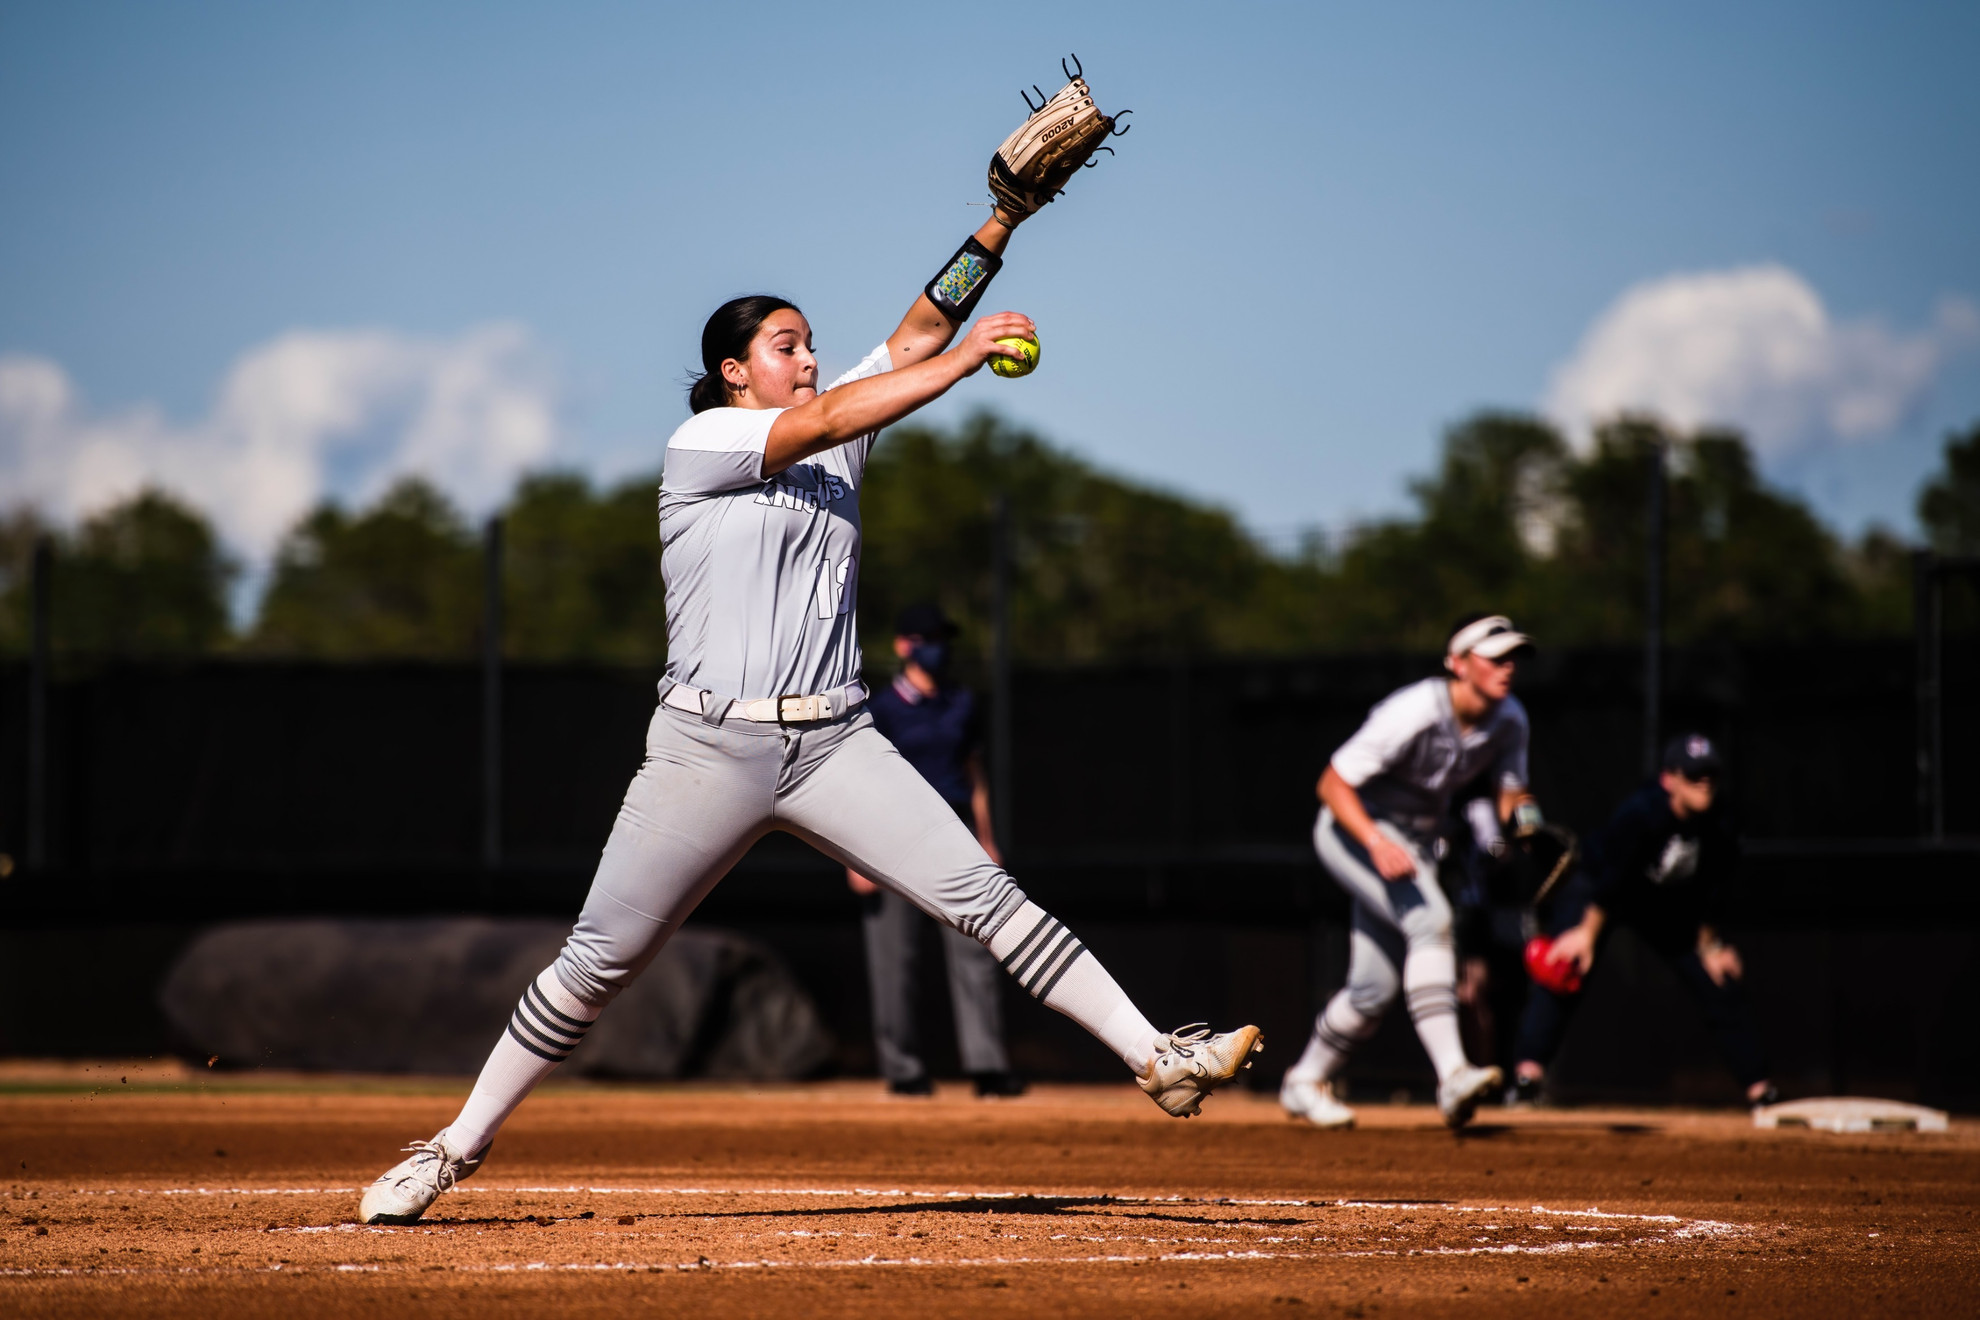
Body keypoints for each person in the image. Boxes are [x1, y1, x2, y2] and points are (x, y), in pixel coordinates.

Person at [357, 198, 1260, 1226]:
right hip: (707, 747)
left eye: (814, 345)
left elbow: (918, 329)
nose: (811, 359)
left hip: (837, 742)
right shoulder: (703, 443)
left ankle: (1158, 1056)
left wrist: (1001, 224)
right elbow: (847, 407)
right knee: (597, 965)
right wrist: (964, 365)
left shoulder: (835, 443)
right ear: (737, 371)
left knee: (985, 896)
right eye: (786, 346)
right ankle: (449, 1150)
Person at [1280, 614, 1538, 1130]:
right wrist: (1376, 841)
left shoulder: (1510, 718)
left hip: (1413, 843)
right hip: (1352, 830)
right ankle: (1453, 1075)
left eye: (1513, 658)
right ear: (1457, 664)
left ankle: (1304, 1081)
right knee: (1432, 923)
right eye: (1494, 658)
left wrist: (1528, 825)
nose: (1507, 669)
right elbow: (1331, 785)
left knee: (1372, 990)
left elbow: (1511, 794)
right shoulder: (1415, 711)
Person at [1511, 734, 1776, 1107]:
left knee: (1715, 977)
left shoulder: (1723, 821)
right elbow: (1613, 879)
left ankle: (1760, 1089)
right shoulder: (1642, 812)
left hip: (1662, 905)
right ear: (1669, 779)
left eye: (1711, 775)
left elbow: (1714, 889)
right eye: (1694, 775)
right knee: (1565, 965)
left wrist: (1710, 945)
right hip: (1602, 892)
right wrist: (1586, 933)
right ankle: (1527, 1077)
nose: (1705, 783)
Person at [847, 603, 1024, 1098]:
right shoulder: (878, 708)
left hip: (956, 834)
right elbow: (856, 784)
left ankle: (987, 1066)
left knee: (976, 951)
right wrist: (853, 856)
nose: (938, 648)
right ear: (904, 645)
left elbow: (975, 775)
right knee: (893, 959)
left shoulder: (961, 701)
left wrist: (988, 840)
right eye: (927, 639)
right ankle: (903, 1069)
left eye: (942, 639)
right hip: (892, 836)